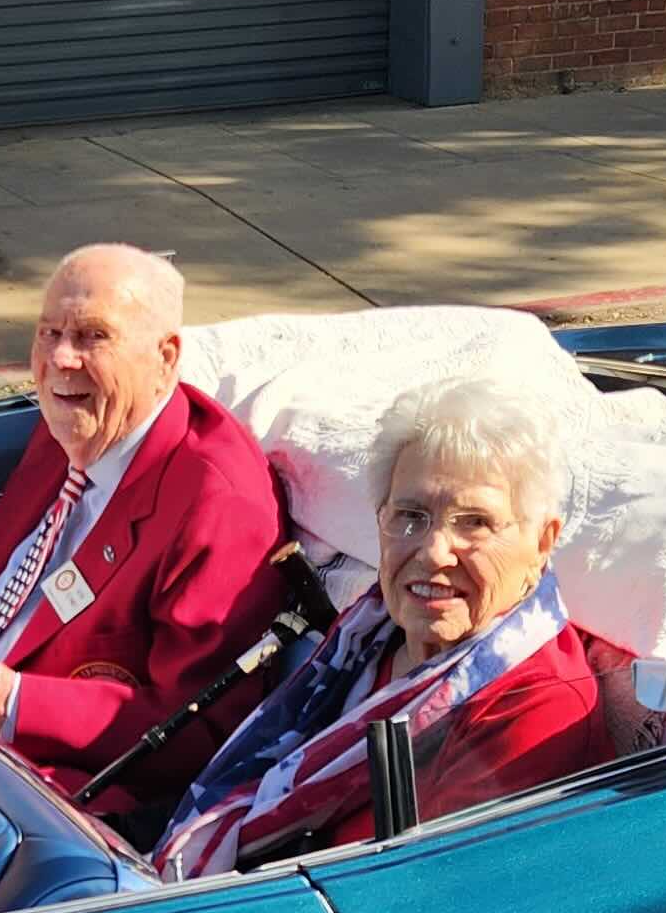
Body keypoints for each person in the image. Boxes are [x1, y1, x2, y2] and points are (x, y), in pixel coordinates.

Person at [152, 375, 616, 878]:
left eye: (475, 522)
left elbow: (427, 906)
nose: (434, 552)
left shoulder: (536, 705)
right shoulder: (367, 632)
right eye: (411, 515)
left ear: (543, 543)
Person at [0, 245, 291, 823]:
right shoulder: (72, 425)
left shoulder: (216, 502)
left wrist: (8, 700)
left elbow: (199, 732)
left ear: (165, 359)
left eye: (92, 337)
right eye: (49, 332)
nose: (61, 358)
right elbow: (16, 591)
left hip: (50, 784)